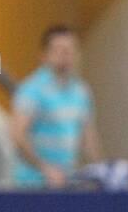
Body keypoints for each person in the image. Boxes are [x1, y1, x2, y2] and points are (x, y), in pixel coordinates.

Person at [10, 27, 102, 187]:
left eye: (70, 50)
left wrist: (101, 170)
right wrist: (45, 168)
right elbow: (18, 135)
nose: (65, 55)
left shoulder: (81, 91)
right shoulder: (32, 90)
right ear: (44, 55)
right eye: (59, 50)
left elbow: (88, 137)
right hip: (33, 184)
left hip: (66, 181)